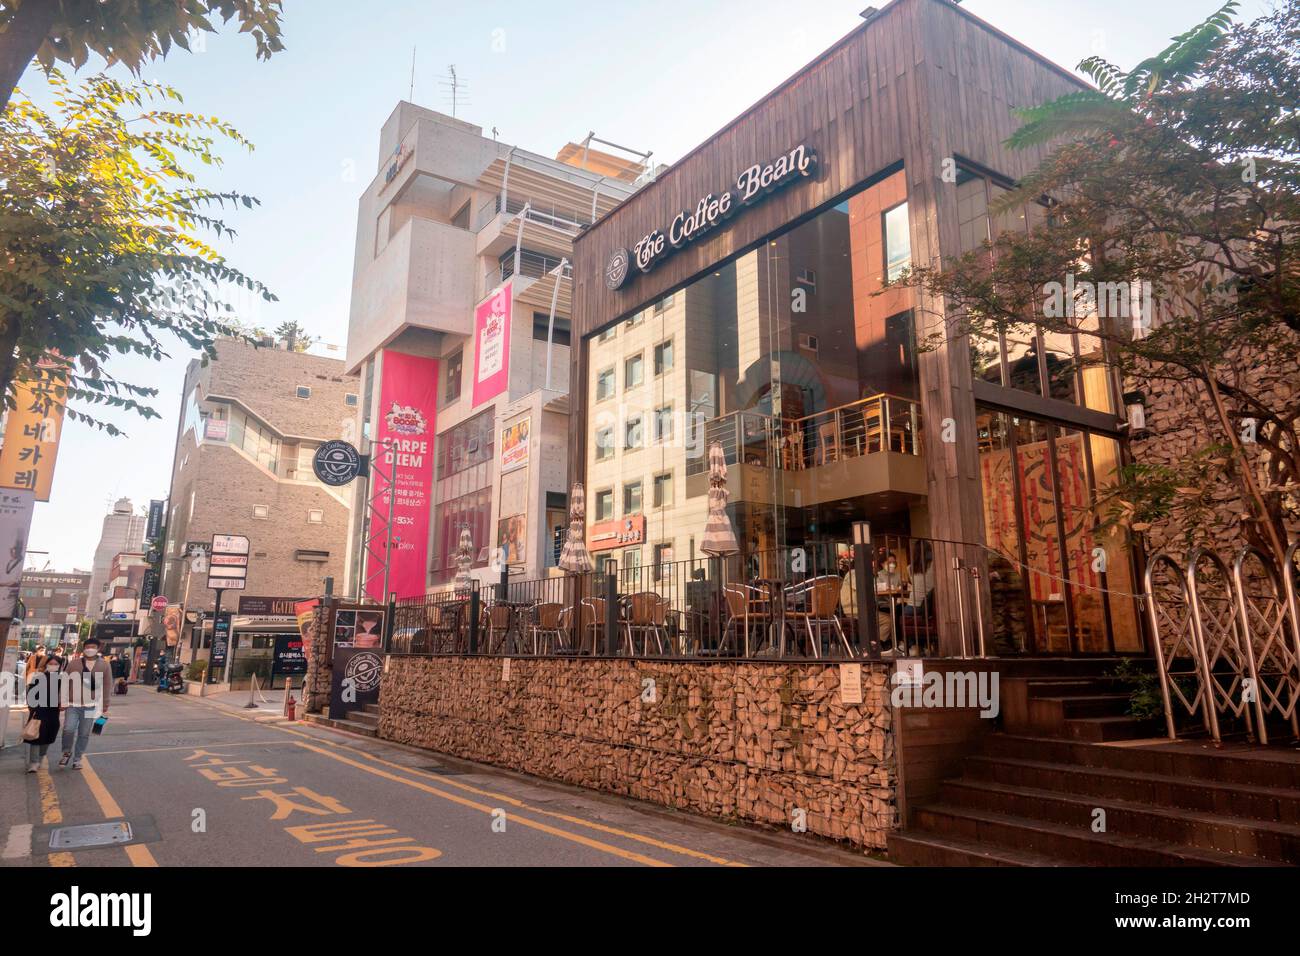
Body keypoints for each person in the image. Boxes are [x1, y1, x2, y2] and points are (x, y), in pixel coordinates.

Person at [59, 637, 111, 770]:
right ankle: (66, 752)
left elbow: (107, 685)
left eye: (93, 647)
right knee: (68, 729)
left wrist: (106, 703)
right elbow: (65, 681)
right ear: (84, 648)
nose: (90, 649)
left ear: (98, 648)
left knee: (84, 733)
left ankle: (77, 759)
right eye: (88, 647)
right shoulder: (74, 663)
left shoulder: (104, 665)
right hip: (72, 704)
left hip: (90, 705)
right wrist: (62, 700)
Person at [24, 655, 64, 773]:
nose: (53, 666)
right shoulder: (38, 677)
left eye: (55, 664)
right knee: (36, 735)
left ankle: (41, 757)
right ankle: (33, 762)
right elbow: (30, 692)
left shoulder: (62, 679)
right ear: (46, 664)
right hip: (39, 709)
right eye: (50, 663)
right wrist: (33, 707)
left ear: (60, 666)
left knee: (49, 735)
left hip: (53, 711)